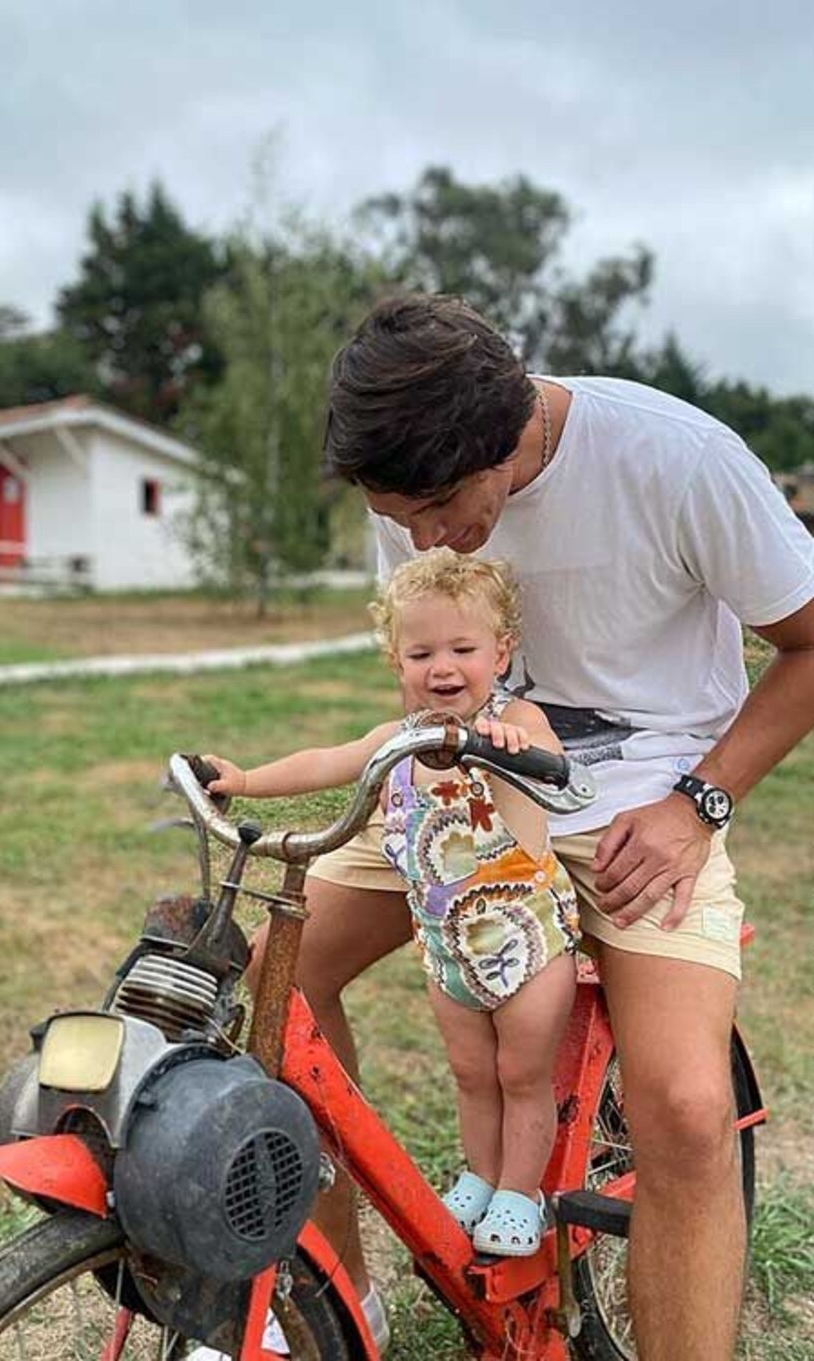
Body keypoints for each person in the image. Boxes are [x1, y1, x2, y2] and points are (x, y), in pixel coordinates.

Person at [250, 293, 813, 1361]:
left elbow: (810, 641)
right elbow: (431, 658)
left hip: (643, 806)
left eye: (440, 506)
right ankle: (334, 1306)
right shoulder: (418, 480)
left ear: (503, 436)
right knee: (277, 984)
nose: (419, 535)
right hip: (461, 795)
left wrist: (699, 804)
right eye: (396, 514)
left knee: (688, 1108)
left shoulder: (680, 459)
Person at [207, 550, 582, 1259]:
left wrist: (507, 748)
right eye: (421, 652)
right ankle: (481, 1171)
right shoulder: (400, 740)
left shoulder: (516, 721)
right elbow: (328, 759)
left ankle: (521, 1191)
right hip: (447, 951)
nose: (443, 666)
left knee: (522, 1075)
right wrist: (247, 778)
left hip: (526, 947)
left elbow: (548, 766)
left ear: (500, 651)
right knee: (473, 1074)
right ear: (396, 661)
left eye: (463, 649)